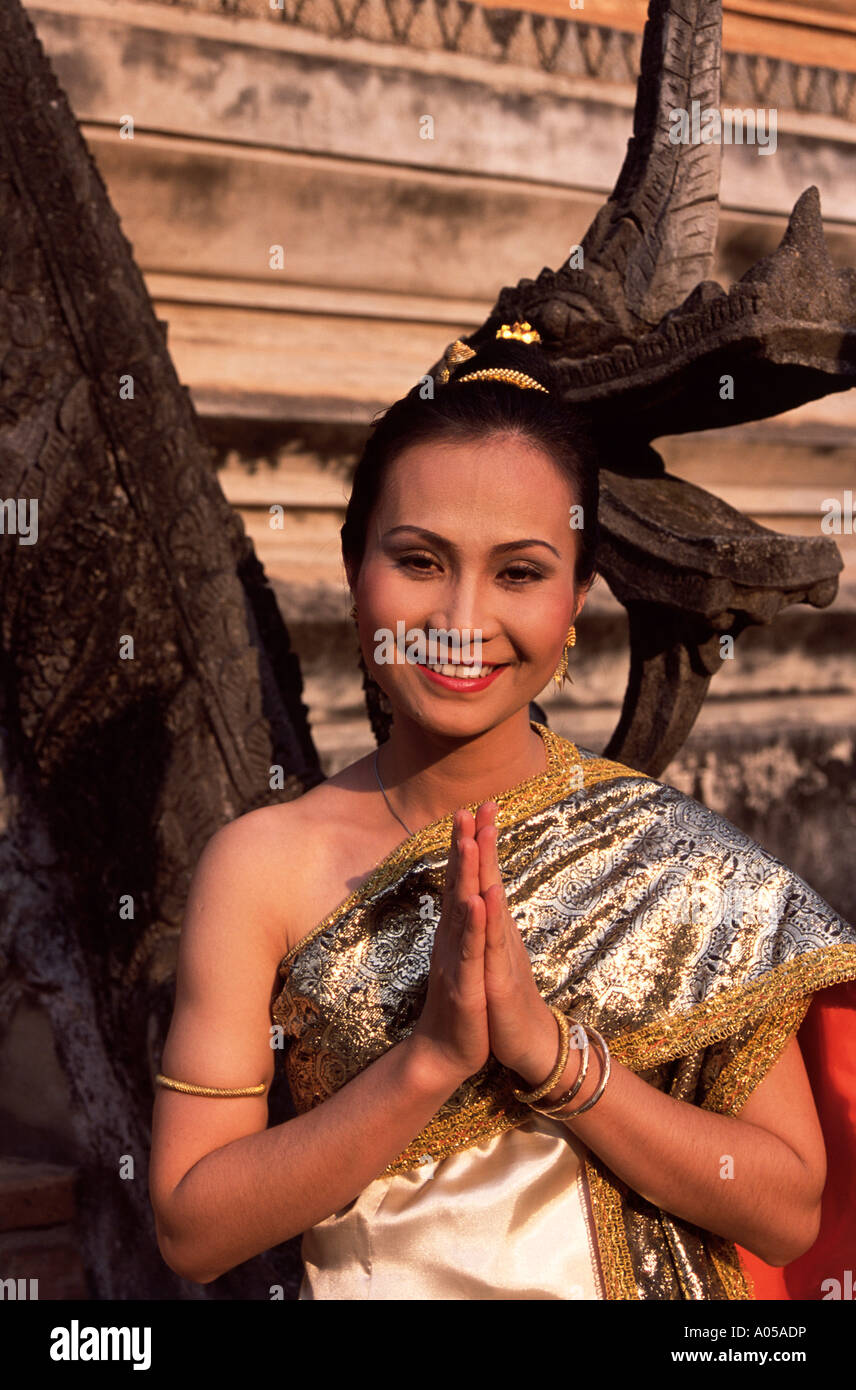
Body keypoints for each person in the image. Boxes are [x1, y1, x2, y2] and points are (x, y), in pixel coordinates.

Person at [148, 324, 856, 1299]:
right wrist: (426, 1064)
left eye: (519, 571)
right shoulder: (263, 866)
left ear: (574, 601)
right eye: (420, 560)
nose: (460, 620)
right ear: (356, 571)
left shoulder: (676, 862)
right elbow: (191, 1226)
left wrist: (558, 1060)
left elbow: (784, 1209)